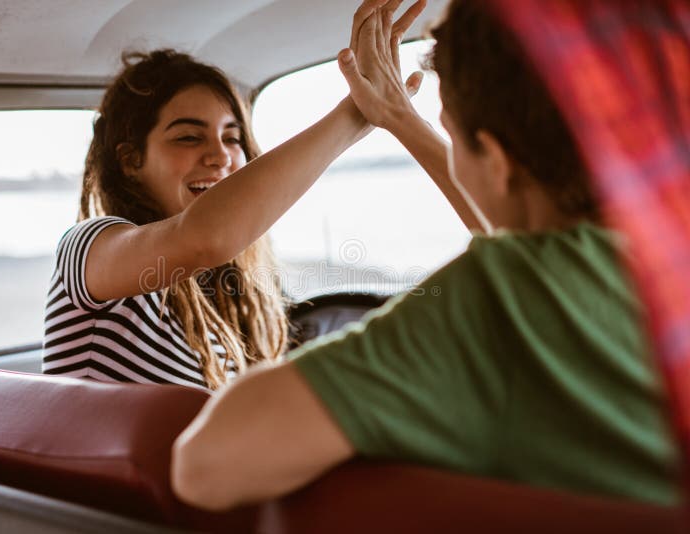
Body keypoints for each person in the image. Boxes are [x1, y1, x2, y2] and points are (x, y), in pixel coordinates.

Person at [170, 0, 681, 510]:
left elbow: (207, 465)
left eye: (453, 136)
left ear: (497, 161)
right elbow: (535, 234)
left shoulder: (507, 297)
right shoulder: (663, 253)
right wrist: (397, 117)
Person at [42, 12, 423, 390]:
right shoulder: (87, 248)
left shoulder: (223, 299)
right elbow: (207, 237)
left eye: (232, 138)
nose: (221, 156)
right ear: (130, 161)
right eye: (189, 137)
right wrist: (356, 113)